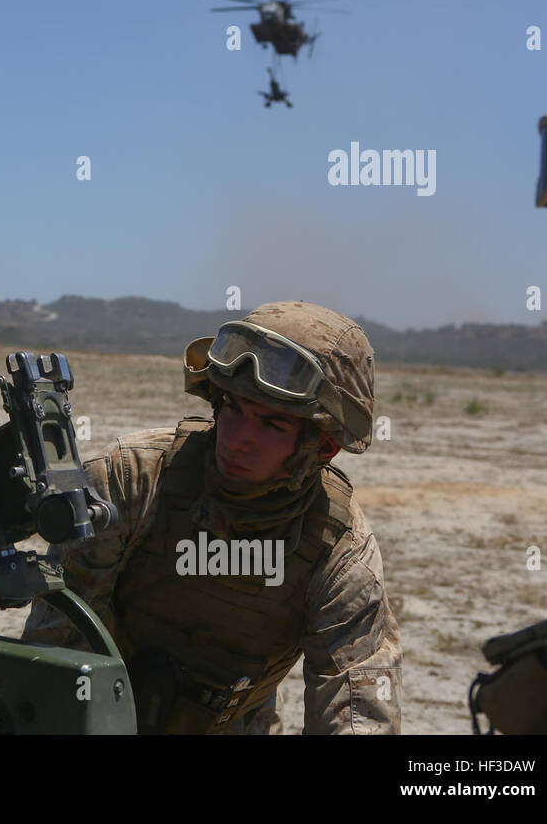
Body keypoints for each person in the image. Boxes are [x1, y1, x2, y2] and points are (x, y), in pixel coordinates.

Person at [21, 301, 402, 733]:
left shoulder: (341, 551)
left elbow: (358, 709)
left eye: (271, 426)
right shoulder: (130, 480)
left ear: (323, 447)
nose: (237, 439)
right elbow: (55, 650)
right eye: (234, 408)